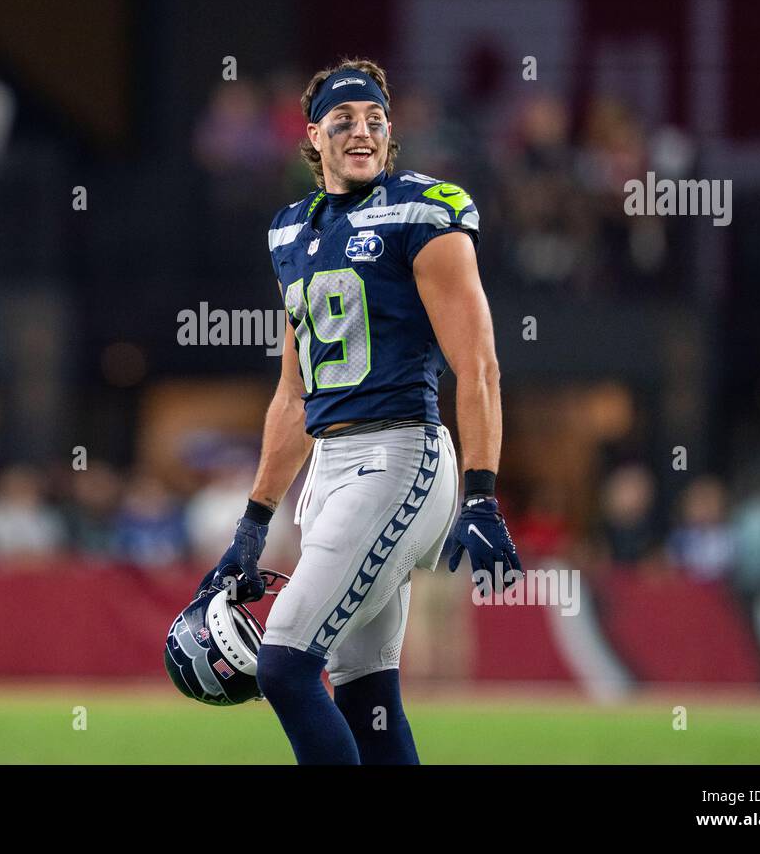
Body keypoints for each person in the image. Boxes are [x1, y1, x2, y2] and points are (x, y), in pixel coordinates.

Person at [199, 58, 521, 764]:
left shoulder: (423, 210)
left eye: (376, 120)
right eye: (343, 121)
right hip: (330, 471)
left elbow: (479, 365)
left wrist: (484, 495)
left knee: (283, 665)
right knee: (366, 697)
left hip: (400, 455)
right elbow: (293, 394)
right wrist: (254, 522)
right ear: (312, 137)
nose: (363, 131)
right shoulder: (290, 232)